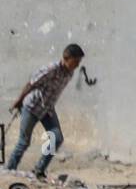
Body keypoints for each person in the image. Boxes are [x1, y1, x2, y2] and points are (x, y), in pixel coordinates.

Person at [6, 44, 84, 179]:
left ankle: (39, 170)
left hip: (47, 109)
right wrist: (18, 102)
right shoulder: (51, 69)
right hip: (32, 107)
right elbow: (31, 83)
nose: (77, 65)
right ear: (66, 58)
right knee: (24, 141)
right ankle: (9, 171)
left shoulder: (69, 73)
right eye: (75, 61)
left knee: (57, 138)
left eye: (79, 62)